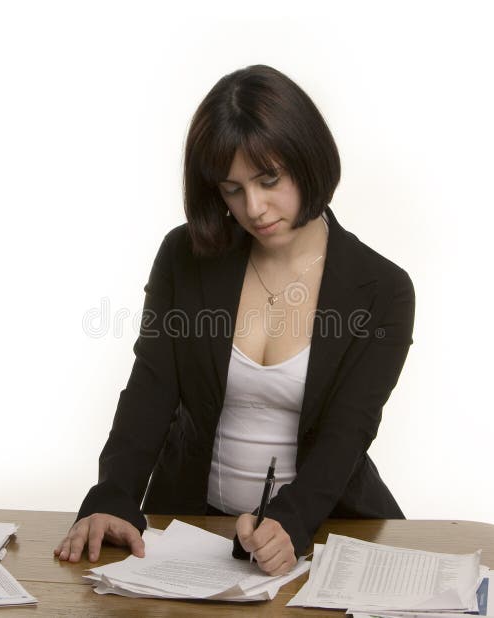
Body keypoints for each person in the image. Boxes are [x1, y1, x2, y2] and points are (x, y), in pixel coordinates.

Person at [54, 64, 415, 577]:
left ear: (308, 159)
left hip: (327, 529)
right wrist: (112, 496)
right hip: (190, 532)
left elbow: (347, 434)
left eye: (270, 180)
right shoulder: (184, 256)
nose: (254, 208)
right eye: (231, 189)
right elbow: (149, 390)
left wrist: (290, 524)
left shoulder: (384, 289)